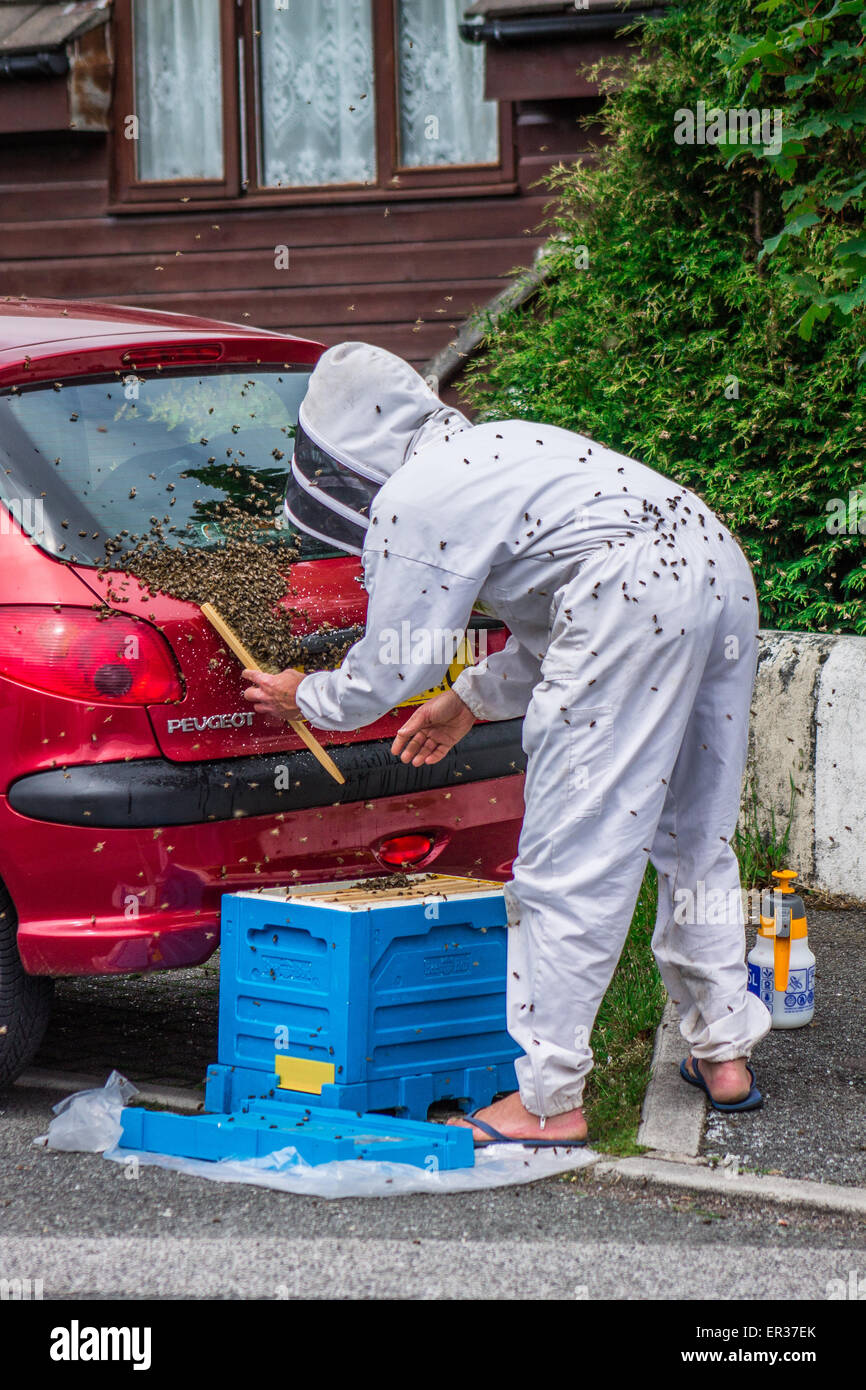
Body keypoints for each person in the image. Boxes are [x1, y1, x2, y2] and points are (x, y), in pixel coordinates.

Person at [242, 341, 772, 1147]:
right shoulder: (504, 446)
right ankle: (723, 1047)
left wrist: (304, 697)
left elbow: (391, 668)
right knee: (698, 833)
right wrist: (469, 698)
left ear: (342, 454)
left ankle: (549, 1102)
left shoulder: (413, 500)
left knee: (570, 861)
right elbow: (571, 602)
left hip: (635, 590)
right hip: (717, 566)